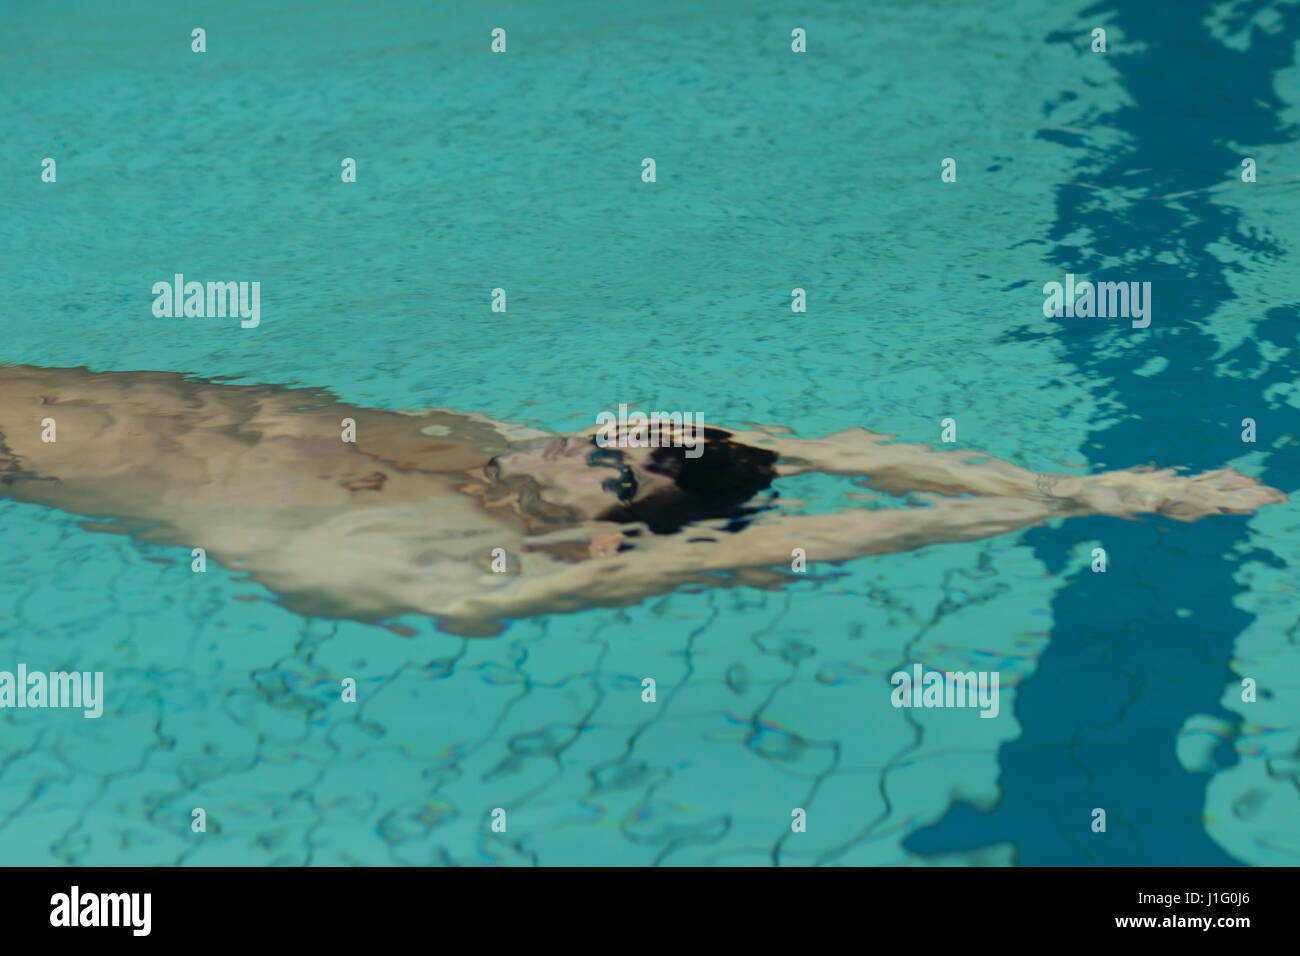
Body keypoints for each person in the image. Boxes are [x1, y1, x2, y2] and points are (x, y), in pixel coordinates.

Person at [0, 364, 1286, 635]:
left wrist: (1066, 513)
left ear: (609, 520)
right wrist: (1088, 476)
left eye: (606, 461)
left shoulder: (497, 560)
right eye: (600, 431)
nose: (573, 440)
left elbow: (824, 525)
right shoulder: (512, 450)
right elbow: (804, 438)